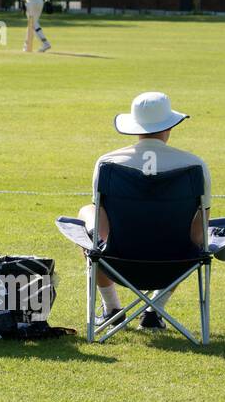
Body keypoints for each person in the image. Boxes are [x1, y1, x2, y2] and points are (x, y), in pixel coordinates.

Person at [76, 91, 211, 330]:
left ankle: (112, 309)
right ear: (169, 126)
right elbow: (198, 235)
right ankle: (153, 311)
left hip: (117, 261)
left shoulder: (107, 163)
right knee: (192, 239)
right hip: (176, 263)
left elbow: (102, 228)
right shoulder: (194, 165)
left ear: (135, 127)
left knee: (87, 215)